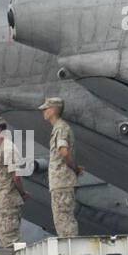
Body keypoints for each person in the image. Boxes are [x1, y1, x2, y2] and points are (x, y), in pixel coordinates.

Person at [39, 97, 83, 236]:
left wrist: (75, 168)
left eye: (46, 109)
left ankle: (70, 250)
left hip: (62, 180)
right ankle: (68, 249)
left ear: (53, 110)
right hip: (61, 181)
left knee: (64, 218)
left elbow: (63, 151)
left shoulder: (61, 128)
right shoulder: (59, 128)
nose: (43, 112)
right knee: (61, 218)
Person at [0, 116, 27, 249]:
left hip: (8, 202)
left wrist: (22, 193)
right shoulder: (1, 150)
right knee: (5, 240)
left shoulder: (8, 149)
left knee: (11, 241)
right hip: (3, 202)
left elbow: (16, 176)